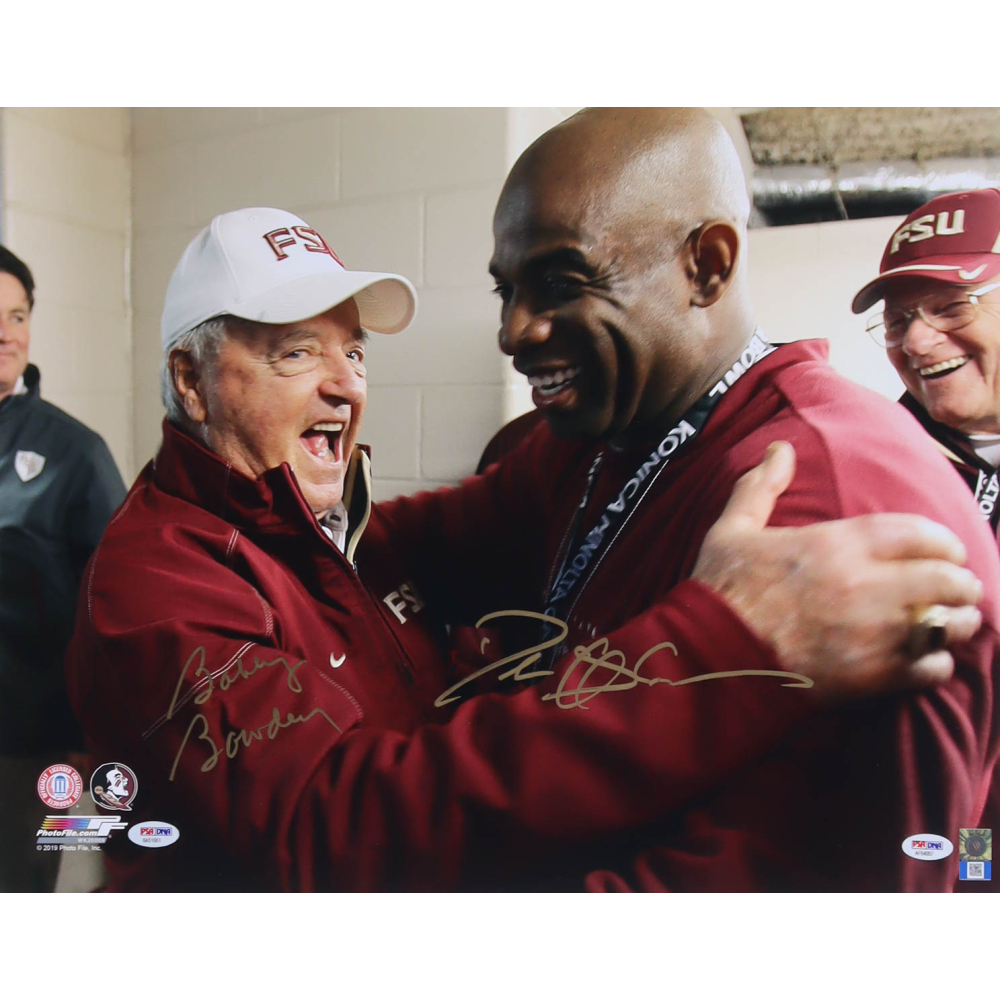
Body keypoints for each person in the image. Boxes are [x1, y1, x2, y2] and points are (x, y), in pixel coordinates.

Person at [67, 188, 985, 894]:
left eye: (354, 352)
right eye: (295, 352)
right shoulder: (156, 582)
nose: (345, 385)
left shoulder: (328, 534)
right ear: (191, 382)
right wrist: (721, 644)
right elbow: (332, 820)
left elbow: (483, 524)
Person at [852, 186, 1000, 885]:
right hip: (923, 837)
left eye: (951, 306)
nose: (915, 340)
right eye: (898, 320)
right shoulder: (863, 464)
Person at [0, 245, 126, 891]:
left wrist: (88, 728)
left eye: (17, 316)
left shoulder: (75, 454)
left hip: (26, 740)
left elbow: (115, 603)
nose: (5, 334)